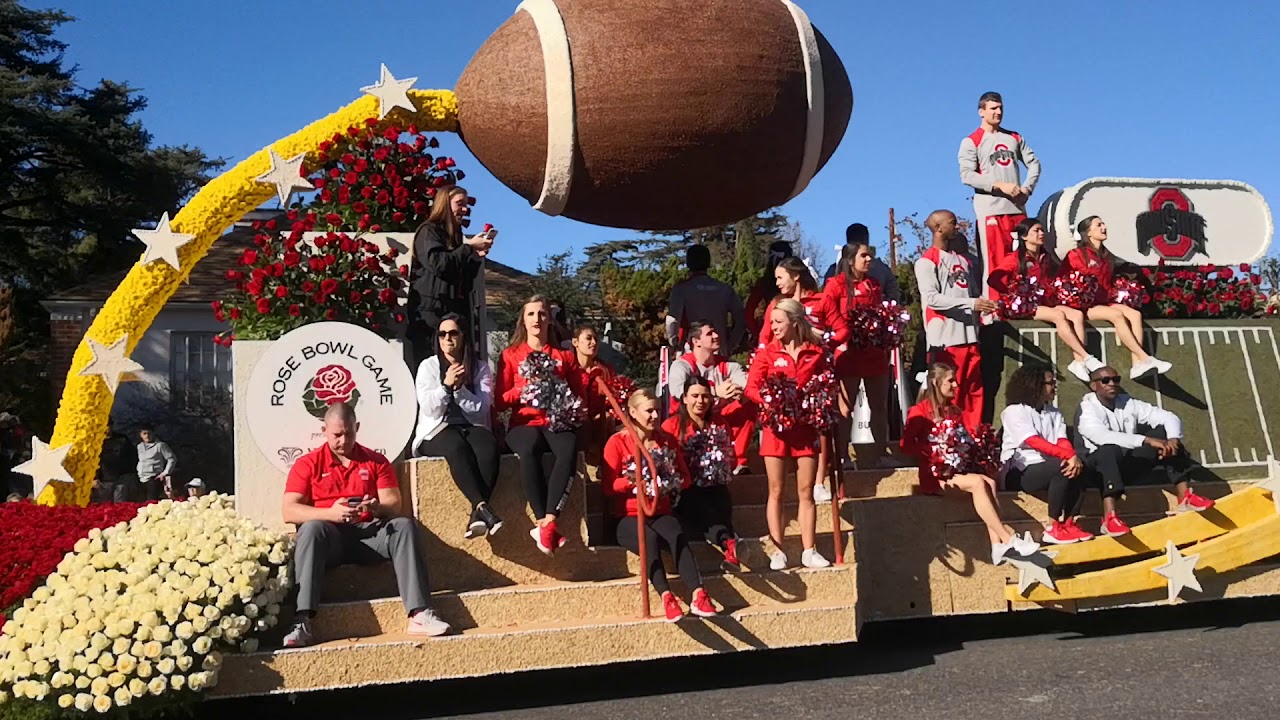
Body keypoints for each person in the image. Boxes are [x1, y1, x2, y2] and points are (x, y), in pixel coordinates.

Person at [282, 403, 450, 647]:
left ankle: (420, 614)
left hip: (369, 535)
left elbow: (393, 503)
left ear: (357, 428)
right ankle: (302, 621)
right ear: (324, 431)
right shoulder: (308, 464)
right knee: (310, 528)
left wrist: (374, 508)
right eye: (337, 435)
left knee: (404, 526)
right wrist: (331, 513)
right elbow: (289, 510)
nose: (343, 440)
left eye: (349, 433)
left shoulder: (375, 461)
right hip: (331, 539)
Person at [902, 362, 1038, 564]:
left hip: (957, 472)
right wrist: (934, 449)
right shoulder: (919, 411)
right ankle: (1007, 537)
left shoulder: (954, 411)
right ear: (936, 383)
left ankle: (997, 546)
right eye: (951, 381)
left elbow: (963, 441)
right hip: (935, 476)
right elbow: (905, 446)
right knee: (977, 483)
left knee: (990, 482)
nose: (956, 385)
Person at [601, 390, 718, 622]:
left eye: (657, 410)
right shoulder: (618, 442)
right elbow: (608, 486)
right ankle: (666, 596)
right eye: (649, 411)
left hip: (660, 509)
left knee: (676, 534)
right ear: (633, 413)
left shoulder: (666, 441)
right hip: (629, 515)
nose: (655, 415)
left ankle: (698, 593)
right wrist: (634, 484)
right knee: (649, 541)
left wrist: (668, 482)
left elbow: (685, 478)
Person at [1075, 366, 1214, 537]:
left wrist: (1172, 440)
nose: (1112, 384)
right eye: (1105, 381)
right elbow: (1101, 436)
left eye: (1116, 380)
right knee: (1108, 451)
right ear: (1094, 386)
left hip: (1125, 465)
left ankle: (1185, 498)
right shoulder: (1087, 409)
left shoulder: (1127, 402)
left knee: (1165, 435)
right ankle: (1109, 518)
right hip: (1096, 472)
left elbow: (1169, 417)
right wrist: (1145, 440)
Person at [747, 298, 834, 570]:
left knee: (806, 491)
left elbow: (828, 383)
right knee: (776, 490)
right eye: (771, 322)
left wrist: (820, 401)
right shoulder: (766, 354)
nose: (773, 327)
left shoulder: (816, 352)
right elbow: (751, 388)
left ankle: (810, 550)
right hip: (776, 431)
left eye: (778, 322)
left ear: (795, 323)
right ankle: (778, 550)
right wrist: (770, 401)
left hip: (805, 429)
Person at [495, 295, 582, 555]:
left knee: (568, 447)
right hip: (523, 423)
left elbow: (579, 397)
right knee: (530, 446)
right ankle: (541, 518)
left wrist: (563, 395)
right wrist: (523, 390)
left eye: (542, 314)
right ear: (523, 319)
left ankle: (548, 521)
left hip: (555, 421)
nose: (537, 319)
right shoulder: (510, 355)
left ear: (549, 320)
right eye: (531, 314)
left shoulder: (564, 356)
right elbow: (499, 401)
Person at [413, 314, 502, 539]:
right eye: (442, 334)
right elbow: (428, 408)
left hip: (471, 425)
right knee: (456, 449)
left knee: (488, 448)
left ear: (463, 337)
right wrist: (445, 386)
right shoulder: (428, 366)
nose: (447, 339)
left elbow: (481, 409)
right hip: (437, 428)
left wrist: (460, 390)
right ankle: (483, 507)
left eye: (453, 333)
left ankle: (477, 515)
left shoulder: (480, 368)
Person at [989, 218, 1103, 383]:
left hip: (1043, 302)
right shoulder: (1014, 258)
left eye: (1042, 230)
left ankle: (1078, 361)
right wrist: (1011, 294)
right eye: (1036, 231)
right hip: (1025, 306)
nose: (1041, 234)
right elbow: (993, 279)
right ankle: (1087, 357)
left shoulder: (1045, 257)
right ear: (1024, 236)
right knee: (1058, 316)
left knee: (1077, 315)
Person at [1061, 216, 1171, 379]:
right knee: (1117, 316)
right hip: (1084, 305)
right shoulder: (1076, 254)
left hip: (1104, 302)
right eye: (1098, 225)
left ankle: (1138, 365)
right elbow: (1062, 280)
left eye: (1103, 224)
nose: (1104, 227)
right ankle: (1145, 358)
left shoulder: (1106, 255)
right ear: (1088, 233)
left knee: (1135, 315)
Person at [915, 210, 994, 430]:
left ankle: (974, 439)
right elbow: (932, 299)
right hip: (946, 340)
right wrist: (971, 304)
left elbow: (971, 293)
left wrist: (983, 306)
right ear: (939, 228)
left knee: (974, 392)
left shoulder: (964, 261)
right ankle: (950, 438)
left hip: (970, 336)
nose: (957, 227)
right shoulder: (926, 261)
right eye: (952, 223)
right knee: (950, 393)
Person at [958, 91, 1042, 297]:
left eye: (1001, 108)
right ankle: (993, 312)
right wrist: (999, 185)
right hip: (990, 211)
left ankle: (1025, 302)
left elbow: (1035, 164)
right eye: (993, 108)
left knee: (1023, 259)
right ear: (981, 112)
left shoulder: (1014, 137)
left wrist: (1027, 188)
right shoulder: (972, 141)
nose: (998, 112)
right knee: (995, 262)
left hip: (1017, 210)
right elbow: (967, 175)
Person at [1000, 365, 1094, 544]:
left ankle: (1069, 522)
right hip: (1020, 470)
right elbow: (1032, 441)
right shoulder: (1015, 411)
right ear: (1036, 385)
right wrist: (1067, 457)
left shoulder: (1054, 413)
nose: (1054, 387)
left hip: (1047, 465)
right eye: (1051, 383)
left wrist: (1072, 456)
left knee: (1081, 466)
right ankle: (1053, 527)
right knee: (1060, 467)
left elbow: (1062, 440)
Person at [407, 185, 495, 369]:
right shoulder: (429, 231)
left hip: (452, 314)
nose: (464, 209)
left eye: (466, 205)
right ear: (444, 204)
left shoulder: (454, 237)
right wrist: (468, 248)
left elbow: (461, 279)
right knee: (432, 371)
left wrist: (473, 257)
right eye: (459, 204)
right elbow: (439, 264)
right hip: (431, 317)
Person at [663, 376, 745, 571]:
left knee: (720, 494)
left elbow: (729, 457)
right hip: (684, 489)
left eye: (705, 396)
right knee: (698, 502)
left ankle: (729, 545)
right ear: (684, 398)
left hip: (713, 485)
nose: (700, 401)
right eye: (695, 396)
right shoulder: (672, 426)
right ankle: (730, 543)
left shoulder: (719, 423)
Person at [824, 240, 893, 468]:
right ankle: (842, 456)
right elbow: (828, 312)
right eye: (864, 256)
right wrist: (844, 333)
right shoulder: (835, 284)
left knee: (879, 405)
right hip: (848, 354)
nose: (868, 260)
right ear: (850, 259)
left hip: (873, 354)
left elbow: (881, 313)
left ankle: (880, 454)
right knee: (845, 407)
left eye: (870, 256)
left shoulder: (874, 284)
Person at [665, 321, 755, 476]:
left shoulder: (727, 364)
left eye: (716, 332)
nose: (716, 336)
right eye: (710, 333)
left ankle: (738, 461)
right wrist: (714, 392)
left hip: (719, 419)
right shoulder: (682, 365)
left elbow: (746, 385)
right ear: (696, 341)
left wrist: (740, 393)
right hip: (688, 420)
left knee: (749, 403)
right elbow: (677, 391)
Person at [666, 244, 746, 352]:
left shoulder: (681, 289)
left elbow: (672, 320)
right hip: (718, 350)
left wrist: (673, 341)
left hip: (691, 351)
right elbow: (741, 319)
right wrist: (731, 344)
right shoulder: (725, 289)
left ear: (688, 263)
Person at [570, 324, 618, 465]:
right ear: (575, 342)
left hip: (601, 419)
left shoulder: (605, 369)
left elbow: (614, 395)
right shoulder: (570, 370)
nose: (594, 343)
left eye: (596, 339)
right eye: (588, 338)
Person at [823, 223, 901, 302]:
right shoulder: (882, 269)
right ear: (866, 239)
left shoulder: (833, 272)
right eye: (863, 256)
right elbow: (894, 299)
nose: (868, 260)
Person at [746, 240, 795, 340]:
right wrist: (758, 332)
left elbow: (748, 312)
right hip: (774, 335)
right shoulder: (764, 284)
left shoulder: (763, 283)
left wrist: (757, 332)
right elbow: (749, 312)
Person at [100, 419, 138, 503]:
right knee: (104, 507)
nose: (107, 428)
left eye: (109, 426)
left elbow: (132, 456)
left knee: (120, 506)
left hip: (121, 479)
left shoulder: (122, 439)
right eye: (104, 425)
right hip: (103, 480)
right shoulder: (97, 441)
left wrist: (130, 473)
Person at [136, 427, 176, 502]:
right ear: (140, 435)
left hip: (154, 478)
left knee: (151, 502)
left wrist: (165, 473)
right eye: (144, 433)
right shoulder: (139, 446)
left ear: (153, 434)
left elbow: (172, 459)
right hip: (141, 478)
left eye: (149, 433)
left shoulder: (160, 445)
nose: (147, 436)